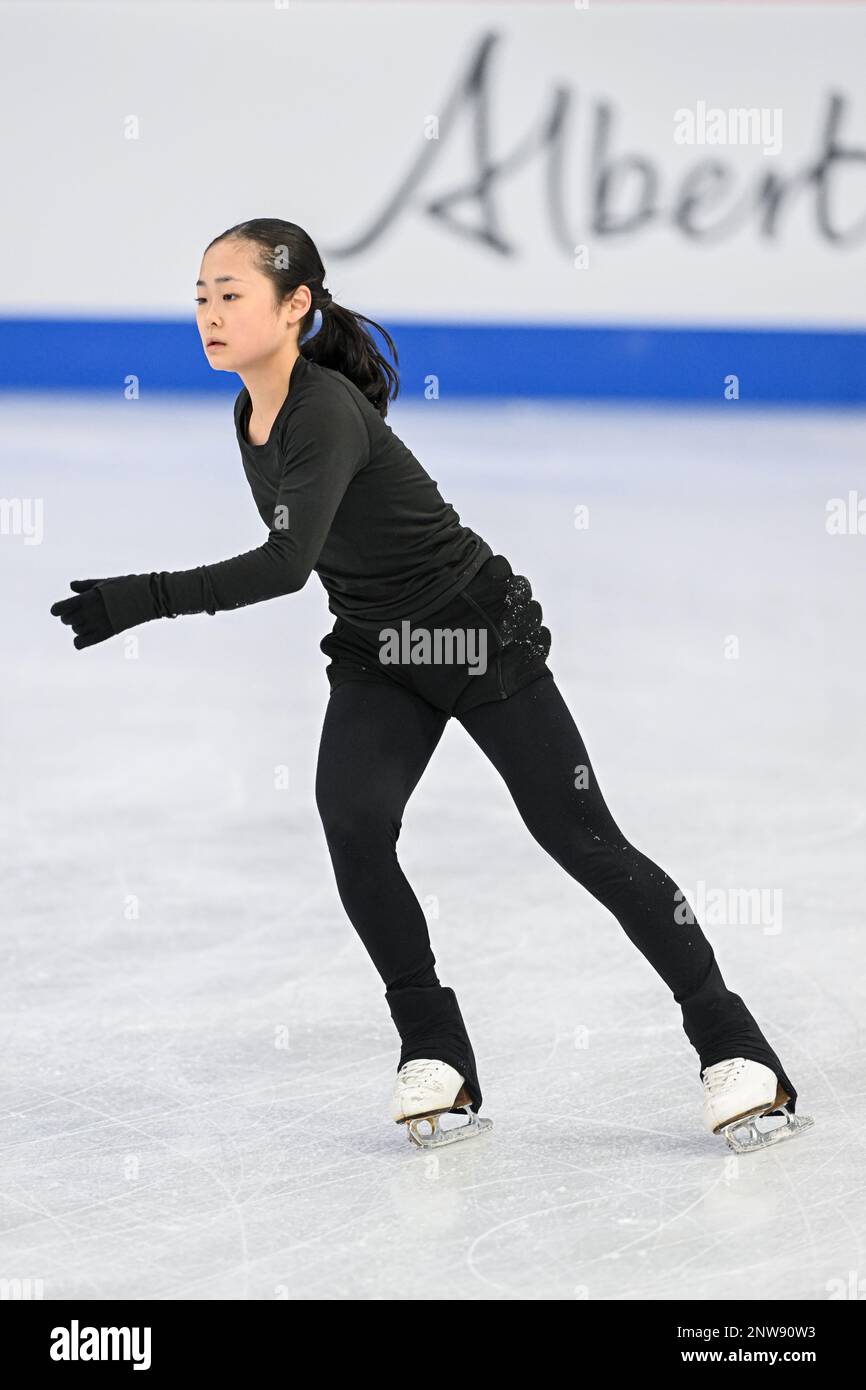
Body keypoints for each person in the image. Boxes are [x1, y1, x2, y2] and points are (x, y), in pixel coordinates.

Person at [50, 218, 812, 1154]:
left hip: (474, 632)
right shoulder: (251, 411)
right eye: (200, 296)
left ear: (296, 307)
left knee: (580, 838)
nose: (208, 313)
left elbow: (291, 563)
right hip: (381, 648)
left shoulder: (322, 407)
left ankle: (736, 1047)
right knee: (354, 823)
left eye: (231, 294)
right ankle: (436, 1048)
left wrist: (145, 598)